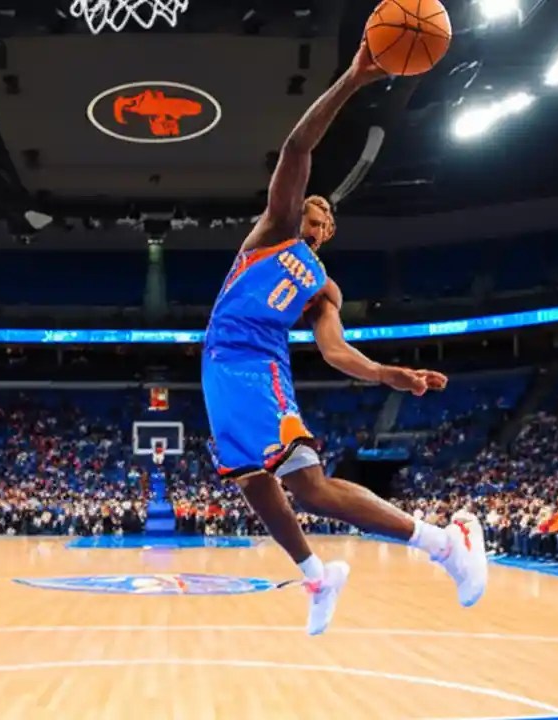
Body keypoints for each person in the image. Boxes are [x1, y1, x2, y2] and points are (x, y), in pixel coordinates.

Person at [201, 40, 486, 636]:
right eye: (310, 202)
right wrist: (354, 78)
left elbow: (334, 352)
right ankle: (316, 574)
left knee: (309, 488)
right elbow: (298, 146)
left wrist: (387, 374)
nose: (314, 208)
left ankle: (444, 543)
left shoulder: (322, 288)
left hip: (259, 367)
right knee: (253, 484)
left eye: (324, 210)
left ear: (328, 229)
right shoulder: (272, 231)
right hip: (219, 368)